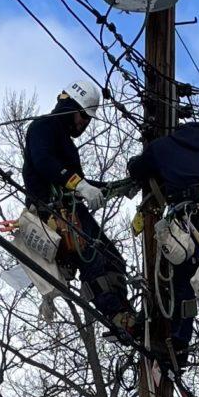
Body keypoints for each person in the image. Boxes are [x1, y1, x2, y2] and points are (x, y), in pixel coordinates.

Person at [129, 94, 199, 366]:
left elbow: (137, 169)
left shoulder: (163, 146)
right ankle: (179, 338)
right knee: (191, 281)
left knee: (180, 281)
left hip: (188, 220)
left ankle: (176, 342)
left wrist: (148, 155)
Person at [21, 80, 138, 337]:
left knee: (114, 259)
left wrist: (116, 187)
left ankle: (125, 314)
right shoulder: (43, 127)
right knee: (95, 261)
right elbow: (44, 163)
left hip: (71, 212)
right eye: (83, 116)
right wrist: (80, 185)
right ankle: (117, 316)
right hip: (52, 213)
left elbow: (79, 184)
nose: (85, 124)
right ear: (70, 106)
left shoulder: (65, 142)